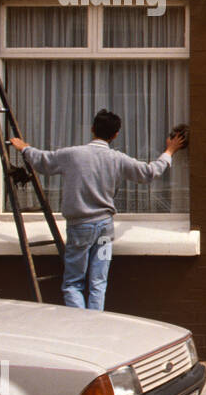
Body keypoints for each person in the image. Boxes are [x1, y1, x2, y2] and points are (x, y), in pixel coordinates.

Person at [10, 110, 187, 310]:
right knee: (98, 282)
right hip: (105, 230)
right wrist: (170, 151)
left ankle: (81, 328)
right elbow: (149, 172)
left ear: (92, 129)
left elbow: (43, 161)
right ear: (115, 135)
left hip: (80, 230)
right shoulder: (117, 159)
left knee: (73, 283)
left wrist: (24, 148)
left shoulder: (72, 155)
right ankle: (96, 327)